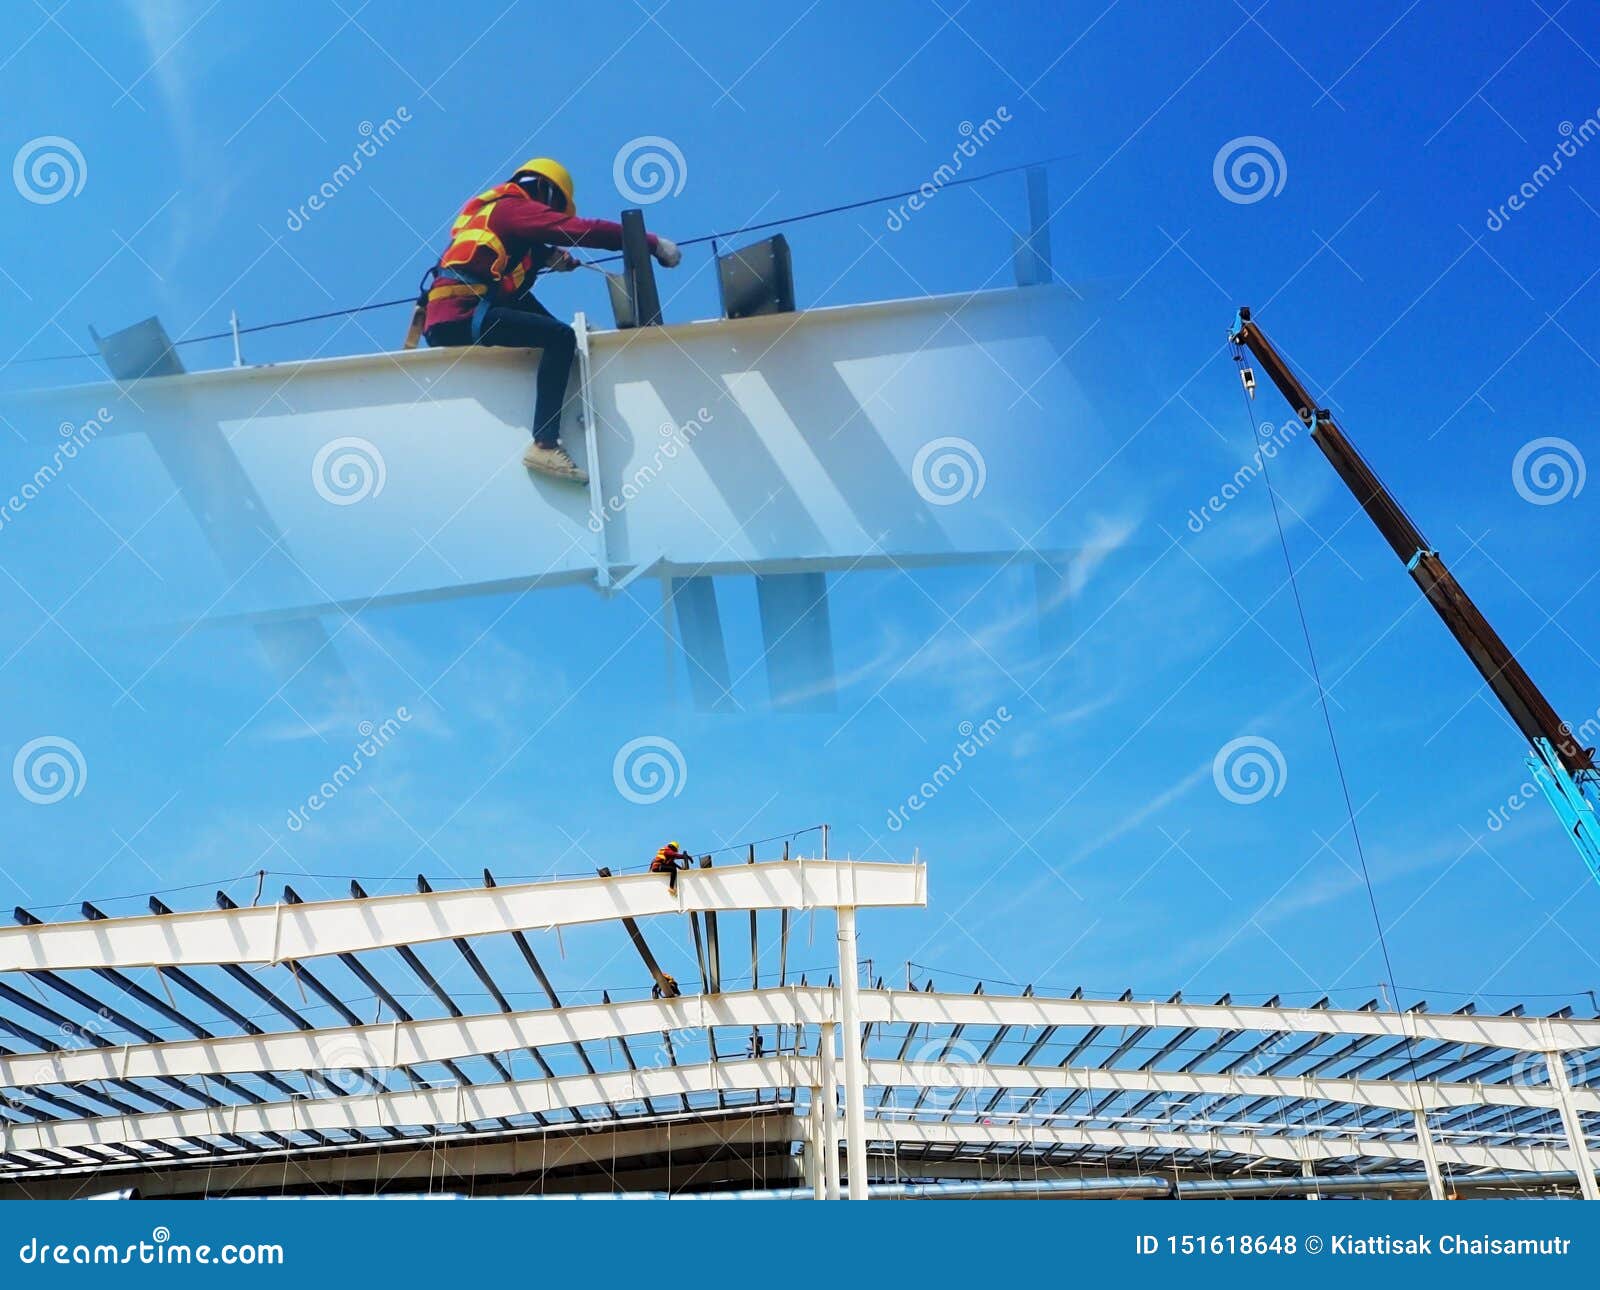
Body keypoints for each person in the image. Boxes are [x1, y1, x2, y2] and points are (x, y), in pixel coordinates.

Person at [421, 157, 682, 484]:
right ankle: (544, 444)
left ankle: (568, 359)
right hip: (465, 314)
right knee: (560, 338)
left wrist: (545, 259)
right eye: (555, 206)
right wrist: (650, 242)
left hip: (454, 315)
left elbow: (510, 270)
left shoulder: (491, 216)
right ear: (545, 191)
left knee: (557, 333)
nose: (553, 214)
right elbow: (581, 230)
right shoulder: (514, 209)